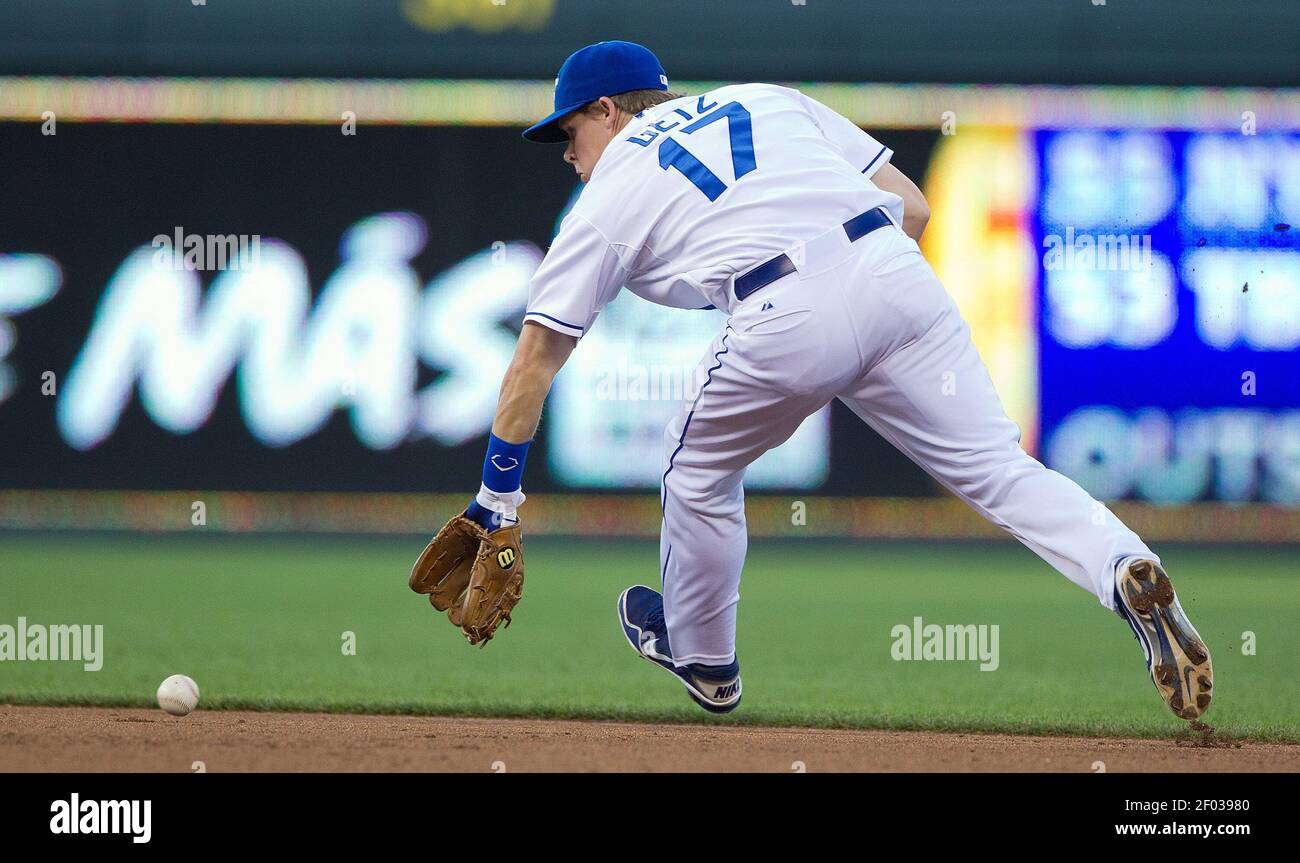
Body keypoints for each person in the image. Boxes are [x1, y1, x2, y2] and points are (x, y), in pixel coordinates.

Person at [420, 40, 1213, 722]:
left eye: (567, 131)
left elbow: (534, 358)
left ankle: (705, 660)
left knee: (693, 465)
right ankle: (1123, 568)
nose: (566, 153)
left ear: (608, 109)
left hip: (783, 304)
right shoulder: (768, 98)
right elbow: (912, 204)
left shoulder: (612, 186)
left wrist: (496, 500)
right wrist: (859, 302)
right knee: (1002, 471)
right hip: (896, 268)